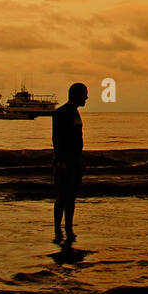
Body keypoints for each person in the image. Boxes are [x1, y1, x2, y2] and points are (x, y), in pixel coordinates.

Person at [51, 82, 88, 246]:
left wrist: (80, 160)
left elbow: (77, 140)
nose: (86, 97)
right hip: (65, 160)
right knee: (62, 195)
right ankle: (57, 227)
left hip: (75, 160)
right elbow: (57, 138)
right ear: (77, 95)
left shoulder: (76, 113)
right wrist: (60, 161)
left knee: (72, 196)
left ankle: (68, 227)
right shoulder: (61, 113)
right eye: (84, 94)